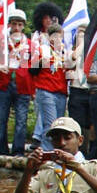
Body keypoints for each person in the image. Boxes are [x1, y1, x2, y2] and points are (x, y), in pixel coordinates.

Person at [0, 9, 33, 156]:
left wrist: (35, 89)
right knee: (2, 118)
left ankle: (18, 150)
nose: (17, 27)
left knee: (21, 120)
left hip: (23, 86)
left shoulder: (30, 44)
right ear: (9, 24)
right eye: (14, 24)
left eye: (20, 24)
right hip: (3, 84)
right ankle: (2, 149)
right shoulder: (0, 40)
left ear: (23, 26)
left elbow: (36, 66)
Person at [30, 21, 69, 151]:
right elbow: (31, 70)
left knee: (58, 126)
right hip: (46, 91)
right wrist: (41, 62)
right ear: (49, 37)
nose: (58, 39)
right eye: (55, 36)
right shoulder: (43, 50)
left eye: (60, 36)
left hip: (61, 93)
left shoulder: (64, 52)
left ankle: (55, 152)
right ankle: (47, 155)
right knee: (50, 125)